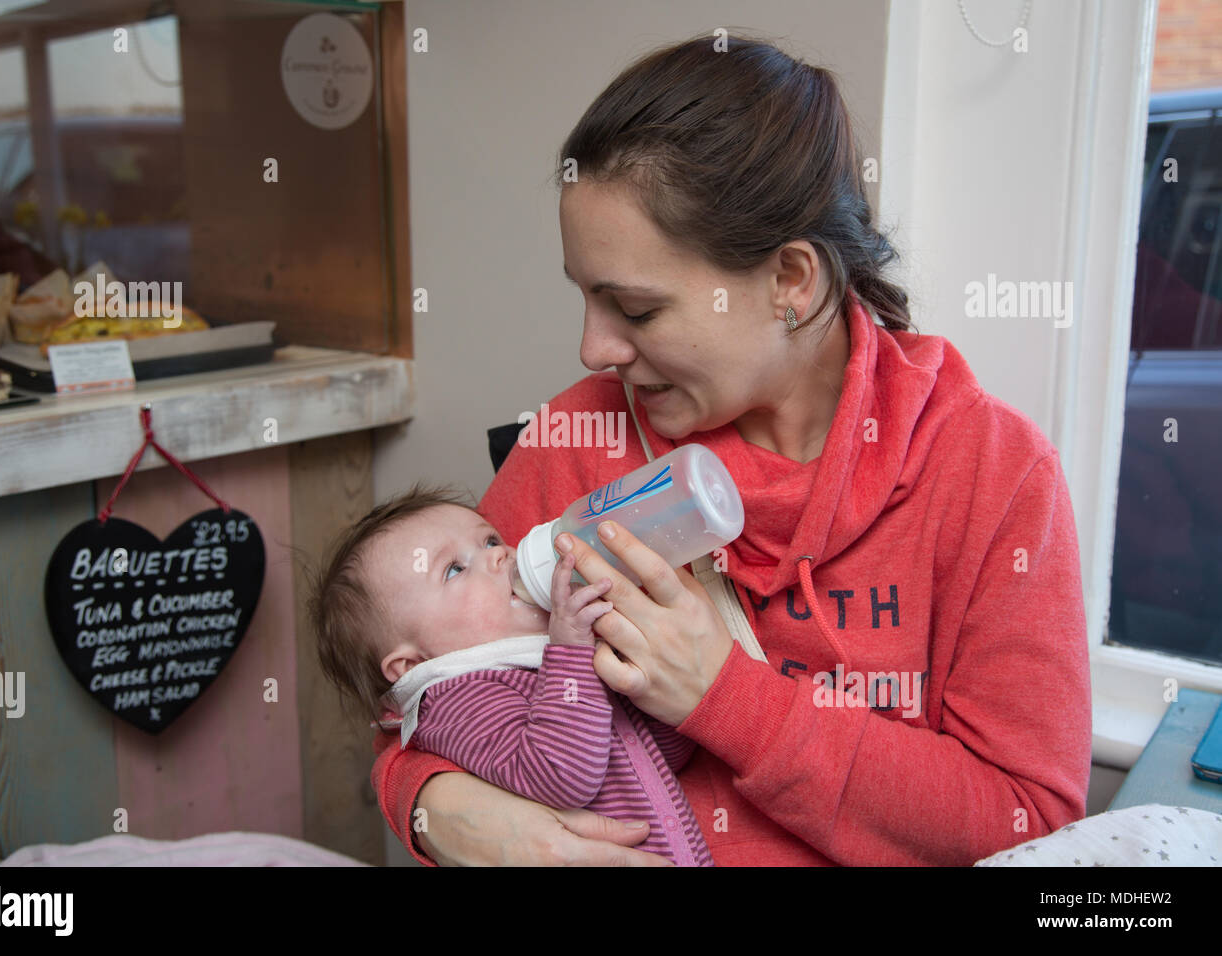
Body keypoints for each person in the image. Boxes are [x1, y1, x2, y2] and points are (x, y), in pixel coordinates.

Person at [370, 34, 1092, 866]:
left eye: (635, 311)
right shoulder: (577, 444)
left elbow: (1026, 820)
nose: (593, 348)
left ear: (791, 280)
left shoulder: (993, 475)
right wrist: (442, 815)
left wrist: (727, 699)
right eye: (584, 297)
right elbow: (422, 707)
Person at [310, 487, 714, 866]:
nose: (500, 556)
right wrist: (571, 649)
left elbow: (664, 757)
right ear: (411, 666)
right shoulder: (456, 700)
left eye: (489, 540)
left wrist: (635, 668)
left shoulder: (545, 665)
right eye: (453, 569)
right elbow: (561, 776)